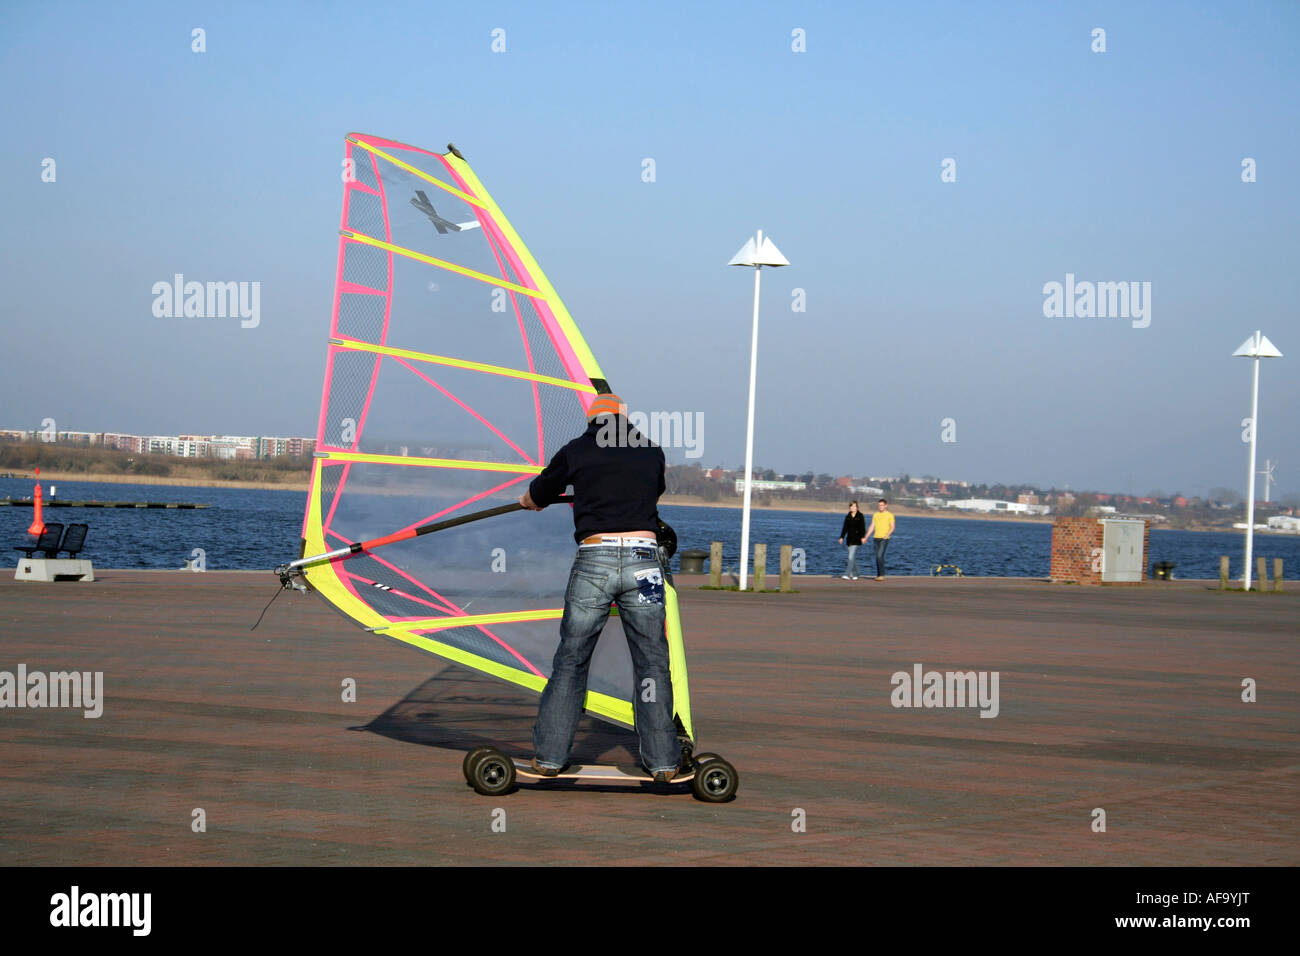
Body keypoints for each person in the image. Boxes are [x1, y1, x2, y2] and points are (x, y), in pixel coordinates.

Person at [518, 393, 680, 782]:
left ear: (593, 422)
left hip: (596, 558)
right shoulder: (651, 452)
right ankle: (663, 761)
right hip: (645, 563)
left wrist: (528, 500)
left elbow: (540, 492)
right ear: (625, 421)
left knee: (572, 660)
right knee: (653, 662)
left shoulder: (577, 451)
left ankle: (551, 758)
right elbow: (650, 493)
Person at [837, 500, 866, 580]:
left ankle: (847, 574)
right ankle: (857, 573)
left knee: (850, 557)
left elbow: (862, 528)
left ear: (857, 507)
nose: (853, 508)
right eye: (851, 506)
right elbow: (845, 528)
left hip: (857, 540)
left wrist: (863, 537)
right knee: (852, 558)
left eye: (854, 506)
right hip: (849, 540)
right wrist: (841, 537)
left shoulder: (860, 516)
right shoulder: (848, 517)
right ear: (849, 508)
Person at [869, 498, 895, 580]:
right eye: (879, 505)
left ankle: (882, 575)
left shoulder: (890, 515)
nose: (880, 507)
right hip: (876, 538)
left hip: (884, 538)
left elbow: (892, 527)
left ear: (886, 505)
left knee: (880, 556)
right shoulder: (875, 515)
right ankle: (879, 574)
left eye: (882, 505)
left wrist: (887, 535)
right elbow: (872, 526)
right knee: (877, 557)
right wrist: (866, 536)